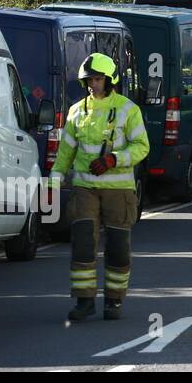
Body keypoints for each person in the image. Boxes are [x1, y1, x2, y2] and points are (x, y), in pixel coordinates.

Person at [51, 53, 150, 322]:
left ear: (109, 80)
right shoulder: (76, 111)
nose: (92, 85)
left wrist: (113, 159)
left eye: (97, 79)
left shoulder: (128, 109)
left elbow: (142, 147)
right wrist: (54, 180)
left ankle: (114, 300)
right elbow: (66, 152)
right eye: (89, 80)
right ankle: (84, 301)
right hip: (84, 187)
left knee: (118, 246)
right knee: (82, 242)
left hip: (118, 190)